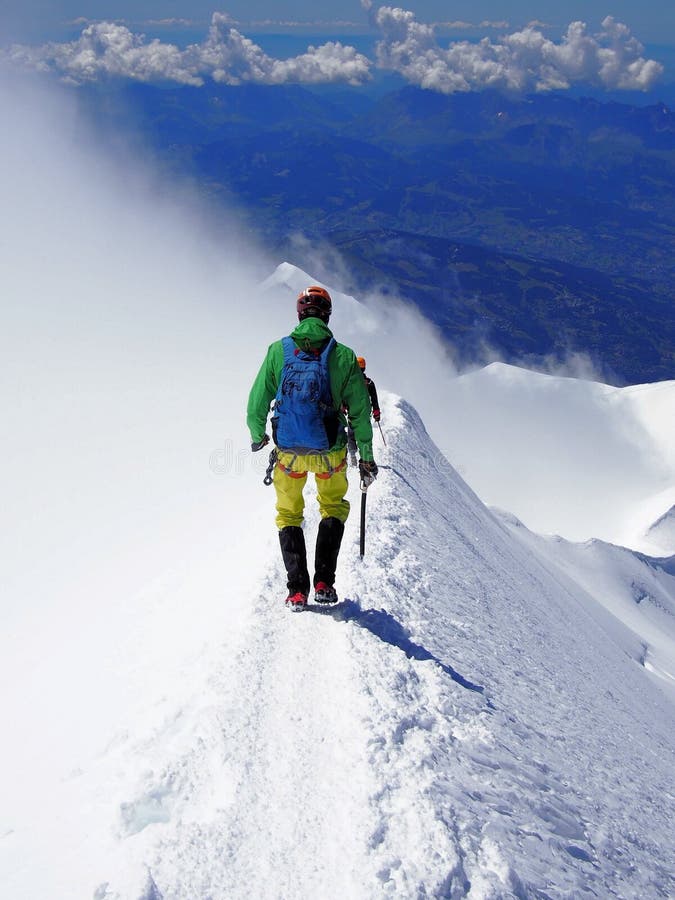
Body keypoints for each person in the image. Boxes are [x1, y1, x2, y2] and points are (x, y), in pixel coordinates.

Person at [247, 286, 378, 610]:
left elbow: (256, 402)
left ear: (299, 315)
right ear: (328, 316)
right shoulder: (345, 356)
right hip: (329, 451)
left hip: (289, 452)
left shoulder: (278, 351)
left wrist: (258, 435)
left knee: (288, 513)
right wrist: (366, 458)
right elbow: (360, 413)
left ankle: (296, 590)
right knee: (332, 507)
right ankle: (323, 582)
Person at [347, 356, 381, 467]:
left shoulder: (349, 382)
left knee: (351, 434)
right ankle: (366, 458)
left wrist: (343, 406)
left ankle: (352, 455)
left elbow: (345, 396)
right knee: (364, 435)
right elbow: (374, 399)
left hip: (352, 412)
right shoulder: (369, 383)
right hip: (365, 414)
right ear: (364, 368)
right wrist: (376, 413)